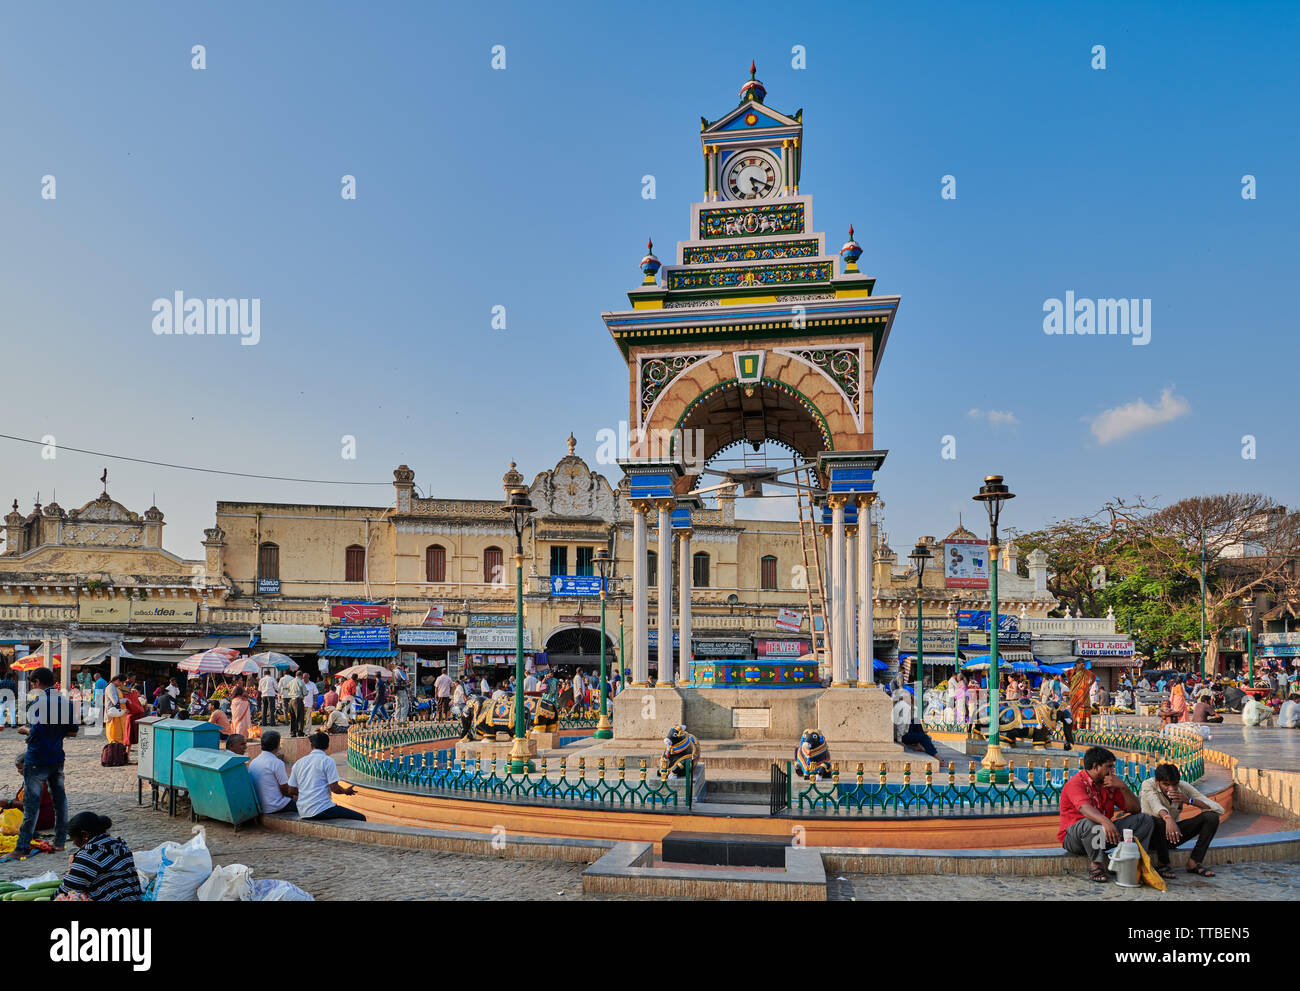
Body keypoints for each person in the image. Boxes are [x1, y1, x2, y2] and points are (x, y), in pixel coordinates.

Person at [1058, 745, 1169, 883]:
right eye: (1109, 767)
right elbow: (1084, 809)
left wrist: (1123, 787)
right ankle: (1097, 865)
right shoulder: (1076, 783)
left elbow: (1135, 809)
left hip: (1103, 834)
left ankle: (1129, 860)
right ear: (1095, 766)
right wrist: (1105, 821)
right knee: (1093, 821)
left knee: (1144, 819)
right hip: (1075, 839)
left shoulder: (1110, 783)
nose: (1112, 770)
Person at [1, 668, 73, 864]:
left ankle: (21, 847)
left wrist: (25, 729)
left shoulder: (39, 702)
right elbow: (73, 732)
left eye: (33, 684)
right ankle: (59, 842)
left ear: (37, 682)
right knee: (60, 801)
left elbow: (35, 732)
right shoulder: (65, 702)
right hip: (57, 756)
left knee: (31, 806)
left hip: (38, 759)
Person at [1139, 763, 1224, 878]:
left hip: (1172, 835)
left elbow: (1218, 808)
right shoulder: (1148, 785)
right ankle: (1163, 863)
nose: (1171, 789)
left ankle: (1194, 862)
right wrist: (1168, 819)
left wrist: (1189, 800)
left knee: (1211, 817)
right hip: (1152, 837)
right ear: (1157, 782)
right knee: (1157, 821)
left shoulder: (1183, 787)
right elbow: (1155, 805)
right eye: (1166, 785)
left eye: (1174, 784)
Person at [55, 812, 142, 901]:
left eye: (74, 840)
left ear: (85, 835)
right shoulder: (119, 845)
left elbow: (67, 890)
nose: (74, 844)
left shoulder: (88, 855)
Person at [288, 732, 366, 821]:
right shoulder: (328, 761)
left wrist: (306, 792)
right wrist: (346, 791)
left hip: (303, 811)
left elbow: (291, 790)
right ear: (327, 746)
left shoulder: (299, 762)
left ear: (311, 746)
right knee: (361, 818)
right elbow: (335, 788)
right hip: (322, 809)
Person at [248, 730, 297, 814]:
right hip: (275, 806)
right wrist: (294, 796)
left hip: (260, 805)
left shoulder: (254, 762)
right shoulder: (277, 763)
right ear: (277, 745)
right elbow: (285, 789)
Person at [3, 754, 54, 833]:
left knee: (6, 824)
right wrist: (6, 803)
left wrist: (10, 803)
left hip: (41, 818)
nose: (18, 771)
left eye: (20, 768)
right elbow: (20, 799)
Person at [103, 673, 130, 758]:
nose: (122, 685)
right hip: (114, 715)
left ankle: (119, 755)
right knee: (115, 736)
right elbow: (115, 701)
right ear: (118, 681)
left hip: (117, 715)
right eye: (122, 682)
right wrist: (125, 700)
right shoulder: (111, 687)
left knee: (118, 736)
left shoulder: (114, 687)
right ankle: (116, 755)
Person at [1067, 659, 1097, 730]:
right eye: (1081, 664)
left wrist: (1088, 685)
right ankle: (1075, 726)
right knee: (1075, 710)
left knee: (1084, 710)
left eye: (1084, 665)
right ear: (1077, 664)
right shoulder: (1071, 671)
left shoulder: (1086, 672)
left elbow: (1094, 677)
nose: (1083, 666)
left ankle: (1084, 726)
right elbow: (1060, 677)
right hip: (1075, 695)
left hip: (1084, 695)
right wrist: (1068, 685)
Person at [283, 669, 306, 738]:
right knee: (300, 717)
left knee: (292, 717)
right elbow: (305, 692)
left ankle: (293, 732)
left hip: (291, 701)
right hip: (298, 700)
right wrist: (305, 692)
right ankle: (300, 731)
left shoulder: (291, 682)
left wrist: (290, 692)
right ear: (301, 676)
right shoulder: (301, 682)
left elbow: (285, 689)